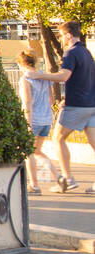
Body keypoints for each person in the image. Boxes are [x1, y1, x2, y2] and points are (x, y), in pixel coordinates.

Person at [23, 22, 95, 193]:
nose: (61, 39)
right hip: (91, 105)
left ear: (69, 35)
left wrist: (39, 75)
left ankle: (68, 179)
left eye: (62, 36)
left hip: (76, 106)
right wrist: (65, 97)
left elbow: (64, 76)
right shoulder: (86, 52)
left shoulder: (71, 53)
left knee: (58, 139)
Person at [17, 51, 61, 194]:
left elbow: (27, 103)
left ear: (20, 64)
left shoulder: (25, 79)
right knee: (37, 151)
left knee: (29, 152)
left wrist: (27, 123)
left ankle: (34, 185)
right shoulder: (43, 77)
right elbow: (51, 100)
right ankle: (58, 176)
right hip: (46, 119)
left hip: (34, 119)